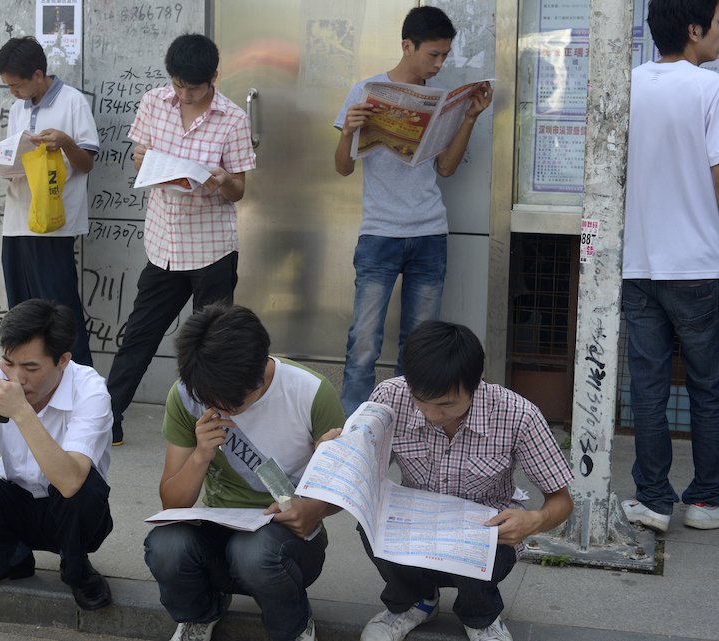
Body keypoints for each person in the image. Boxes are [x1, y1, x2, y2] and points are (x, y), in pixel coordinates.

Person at [357, 321, 572, 641]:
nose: (431, 414)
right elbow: (364, 466)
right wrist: (343, 450)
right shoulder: (391, 396)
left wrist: (533, 520)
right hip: (417, 525)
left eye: (446, 404)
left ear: (477, 383)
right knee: (369, 519)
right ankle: (414, 602)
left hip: (483, 534)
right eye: (420, 400)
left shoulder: (517, 415)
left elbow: (562, 500)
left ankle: (481, 617)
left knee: (493, 546)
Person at [144, 304, 345, 641]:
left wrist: (315, 509)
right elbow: (172, 502)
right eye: (210, 400)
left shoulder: (310, 392)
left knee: (252, 554)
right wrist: (201, 455)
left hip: (290, 540)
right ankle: (200, 614)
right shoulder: (188, 394)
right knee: (165, 545)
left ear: (259, 373)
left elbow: (344, 488)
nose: (220, 409)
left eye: (231, 404)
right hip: (220, 527)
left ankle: (293, 626)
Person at [334, 7, 493, 417]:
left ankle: (407, 424)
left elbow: (445, 168)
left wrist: (469, 117)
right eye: (434, 55)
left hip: (429, 232)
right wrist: (350, 129)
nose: (439, 64)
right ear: (408, 46)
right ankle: (353, 430)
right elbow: (342, 167)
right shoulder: (366, 91)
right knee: (364, 339)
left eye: (445, 56)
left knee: (420, 344)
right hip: (379, 232)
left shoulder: (442, 101)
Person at [106, 34, 257, 446]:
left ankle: (213, 429)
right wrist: (142, 159)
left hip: (211, 249)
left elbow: (238, 190)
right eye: (178, 85)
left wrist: (223, 179)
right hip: (163, 245)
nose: (184, 95)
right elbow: (141, 155)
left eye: (193, 88)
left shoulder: (233, 120)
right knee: (139, 333)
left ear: (214, 78)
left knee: (214, 347)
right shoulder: (155, 102)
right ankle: (108, 418)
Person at [0, 299, 114, 609]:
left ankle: (76, 569)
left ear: (62, 360)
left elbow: (71, 482)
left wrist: (21, 412)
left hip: (73, 514)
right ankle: (6, 558)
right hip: (16, 501)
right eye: (9, 362)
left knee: (82, 484)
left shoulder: (90, 390)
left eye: (30, 367)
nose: (16, 377)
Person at [620, 0, 719, 533]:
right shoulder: (711, 88)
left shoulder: (629, 84)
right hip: (700, 264)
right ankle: (706, 501)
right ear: (694, 29)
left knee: (649, 387)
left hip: (639, 263)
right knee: (707, 386)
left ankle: (654, 501)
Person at [0, 36, 98, 366]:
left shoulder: (72, 102)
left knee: (60, 313)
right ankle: (28, 383)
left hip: (53, 225)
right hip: (17, 221)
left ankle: (82, 386)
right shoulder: (17, 107)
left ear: (38, 75)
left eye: (16, 85)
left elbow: (87, 163)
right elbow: (15, 160)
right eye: (8, 87)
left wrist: (65, 142)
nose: (13, 93)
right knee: (21, 311)